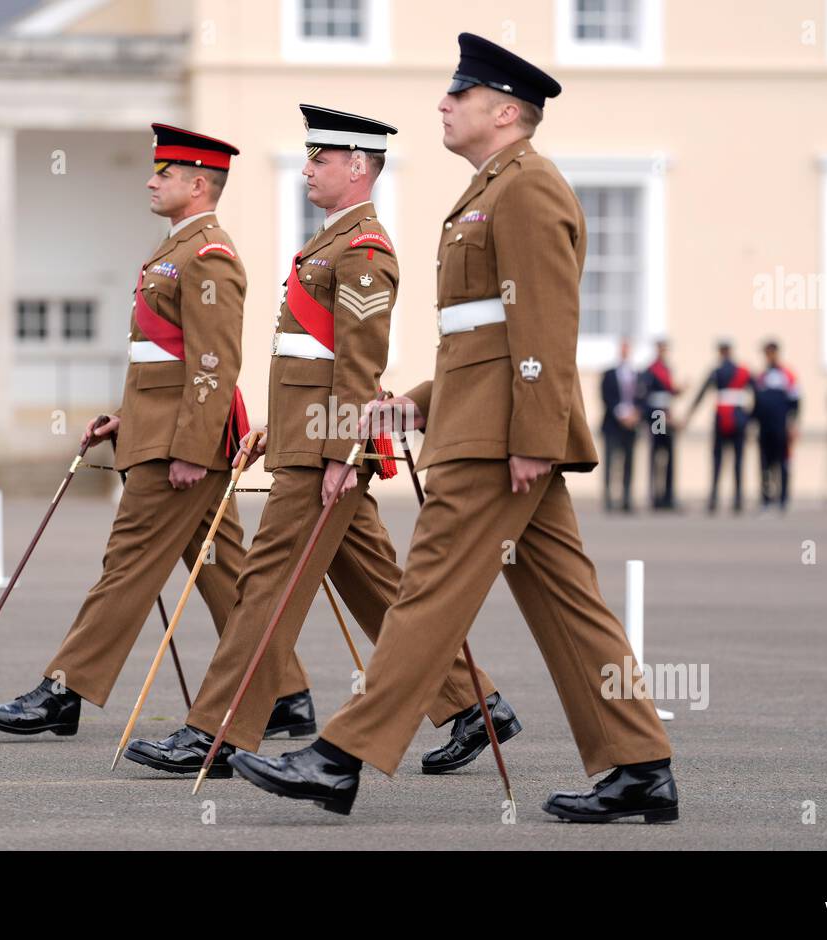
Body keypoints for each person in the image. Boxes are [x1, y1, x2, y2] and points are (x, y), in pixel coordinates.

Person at [226, 35, 676, 822]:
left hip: (501, 438)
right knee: (566, 598)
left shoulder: (526, 188)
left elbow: (546, 326)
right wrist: (419, 403)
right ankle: (638, 764)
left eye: (459, 95)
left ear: (505, 112)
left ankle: (341, 756)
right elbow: (484, 335)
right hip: (482, 421)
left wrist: (535, 435)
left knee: (430, 589)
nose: (443, 103)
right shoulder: (493, 188)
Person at [124, 105, 519, 781]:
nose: (307, 169)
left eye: (321, 159)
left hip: (324, 455)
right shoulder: (332, 243)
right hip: (310, 441)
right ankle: (473, 703)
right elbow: (311, 360)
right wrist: (280, 427)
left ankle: (216, 732)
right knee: (377, 587)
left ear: (359, 167)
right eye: (309, 158)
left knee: (265, 587)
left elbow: (359, 366)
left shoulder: (365, 251)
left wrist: (338, 454)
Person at [0, 125, 313, 738]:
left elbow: (215, 363)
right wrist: (127, 419)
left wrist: (188, 446)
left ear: (199, 183)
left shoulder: (208, 255)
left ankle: (64, 689)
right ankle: (285, 691)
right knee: (225, 569)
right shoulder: (177, 249)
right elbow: (167, 363)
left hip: (179, 450)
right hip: (164, 435)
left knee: (126, 566)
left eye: (165, 173)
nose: (151, 181)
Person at [683, 338, 754, 514]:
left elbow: (702, 393)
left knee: (718, 460)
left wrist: (688, 415)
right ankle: (737, 499)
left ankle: (714, 498)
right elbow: (756, 392)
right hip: (738, 417)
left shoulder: (717, 371)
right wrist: (750, 418)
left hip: (722, 418)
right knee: (738, 460)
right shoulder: (743, 371)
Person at [750, 340, 800, 513]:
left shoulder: (787, 375)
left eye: (771, 352)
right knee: (765, 464)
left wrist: (793, 424)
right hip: (765, 427)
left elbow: (796, 402)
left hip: (781, 426)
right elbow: (756, 405)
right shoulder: (761, 377)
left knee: (782, 463)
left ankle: (784, 498)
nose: (769, 356)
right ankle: (766, 498)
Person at [639, 337, 683, 511]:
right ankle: (656, 495)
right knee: (657, 454)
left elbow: (669, 394)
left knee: (669, 454)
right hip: (657, 415)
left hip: (666, 413)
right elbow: (646, 396)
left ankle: (668, 495)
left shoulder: (666, 369)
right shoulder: (652, 370)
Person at [600, 338, 640, 513]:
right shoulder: (609, 374)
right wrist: (621, 414)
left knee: (629, 462)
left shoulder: (637, 374)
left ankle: (626, 497)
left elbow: (642, 399)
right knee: (610, 461)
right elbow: (606, 397)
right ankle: (608, 497)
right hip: (613, 424)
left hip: (632, 425)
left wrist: (635, 414)